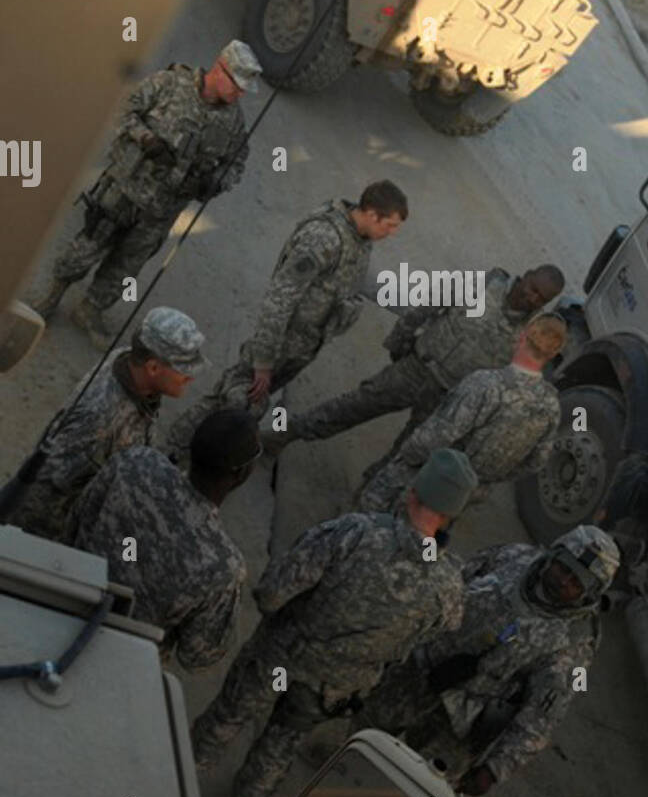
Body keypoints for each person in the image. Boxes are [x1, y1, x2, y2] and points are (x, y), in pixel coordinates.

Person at [193, 448, 477, 797]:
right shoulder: (449, 590)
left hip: (280, 658)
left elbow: (272, 593)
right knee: (279, 747)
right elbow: (418, 645)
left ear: (414, 492)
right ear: (451, 515)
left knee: (228, 717)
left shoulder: (354, 533)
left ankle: (178, 777)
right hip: (332, 689)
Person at [31, 40, 261, 347]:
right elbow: (124, 109)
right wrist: (147, 139)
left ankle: (91, 309)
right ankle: (51, 297)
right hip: (124, 190)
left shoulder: (234, 123)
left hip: (163, 211)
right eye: (237, 84)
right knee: (88, 245)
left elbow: (237, 163)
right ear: (220, 68)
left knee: (128, 265)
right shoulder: (169, 83)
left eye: (244, 89)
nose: (241, 93)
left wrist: (216, 182)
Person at [359, 526, 620, 795]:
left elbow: (543, 716)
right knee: (366, 734)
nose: (564, 582)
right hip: (421, 666)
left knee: (416, 789)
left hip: (460, 720)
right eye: (563, 568)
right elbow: (452, 583)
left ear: (589, 594)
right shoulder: (513, 556)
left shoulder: (575, 644)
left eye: (576, 582)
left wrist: (494, 770)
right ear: (553, 555)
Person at [164, 180, 408, 459]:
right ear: (372, 214)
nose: (391, 234)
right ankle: (173, 448)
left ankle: (208, 456)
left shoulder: (359, 239)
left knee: (244, 407)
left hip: (301, 347)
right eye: (389, 226)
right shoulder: (323, 239)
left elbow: (350, 282)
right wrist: (264, 362)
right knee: (229, 398)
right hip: (279, 344)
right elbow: (279, 300)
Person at [264, 264, 565, 456]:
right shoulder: (480, 284)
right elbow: (426, 308)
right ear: (525, 276)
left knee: (407, 456)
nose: (532, 298)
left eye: (541, 298)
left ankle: (366, 513)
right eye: (533, 288)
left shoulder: (531, 332)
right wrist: (399, 340)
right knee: (354, 405)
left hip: (448, 401)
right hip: (417, 368)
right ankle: (286, 434)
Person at [71, 409, 259, 671]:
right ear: (241, 474)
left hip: (68, 601)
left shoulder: (137, 461)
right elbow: (197, 657)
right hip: (128, 662)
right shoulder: (223, 566)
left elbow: (78, 517)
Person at [2, 306, 206, 543]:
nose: (190, 377)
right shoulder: (99, 421)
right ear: (153, 368)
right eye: (184, 370)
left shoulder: (130, 361)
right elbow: (45, 490)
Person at [357, 314, 566, 514]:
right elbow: (537, 461)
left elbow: (439, 435)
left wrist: (405, 457)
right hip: (465, 493)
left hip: (429, 474)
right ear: (553, 354)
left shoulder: (485, 383)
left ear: (523, 335)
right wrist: (485, 478)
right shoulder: (551, 406)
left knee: (371, 522)